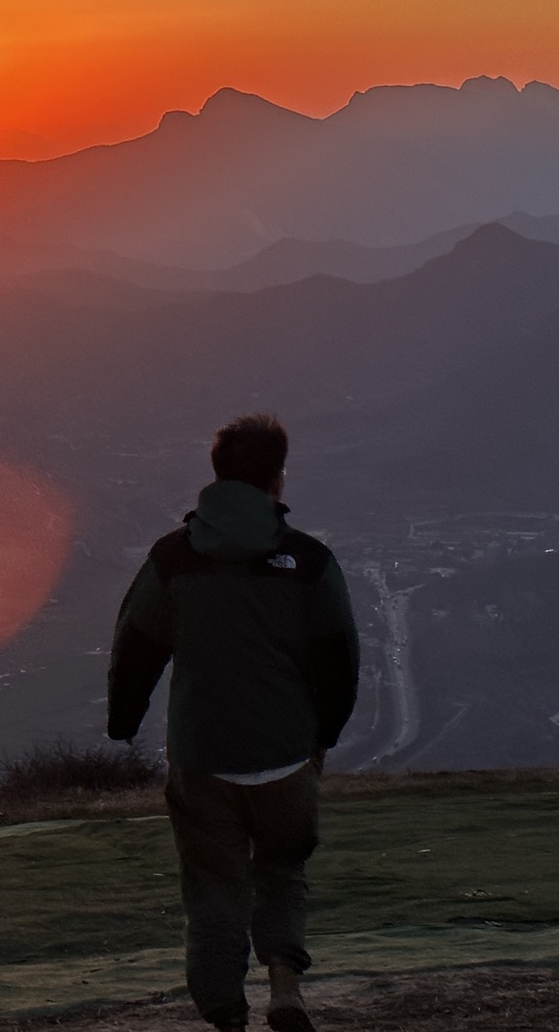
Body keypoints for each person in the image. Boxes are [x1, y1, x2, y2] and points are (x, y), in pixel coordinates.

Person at [107, 414, 360, 1032]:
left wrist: (124, 719)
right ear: (277, 480)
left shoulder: (173, 559)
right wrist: (322, 731)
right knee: (281, 870)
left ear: (216, 476)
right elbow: (340, 657)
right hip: (287, 751)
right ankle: (285, 990)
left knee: (214, 882)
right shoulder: (307, 561)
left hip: (203, 754)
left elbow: (136, 644)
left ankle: (223, 1010)